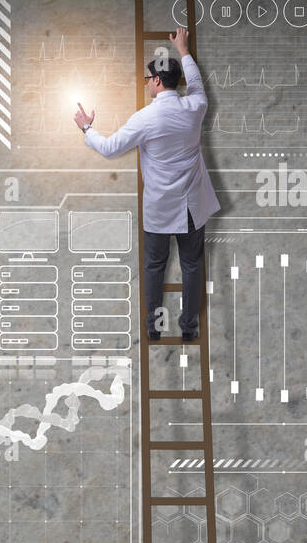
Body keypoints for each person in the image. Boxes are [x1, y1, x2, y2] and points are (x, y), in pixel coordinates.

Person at [73, 26, 221, 342]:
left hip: (159, 209)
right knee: (192, 267)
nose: (147, 85)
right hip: (192, 206)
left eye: (147, 80)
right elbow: (195, 84)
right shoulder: (196, 107)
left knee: (155, 267)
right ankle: (189, 326)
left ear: (155, 81)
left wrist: (87, 128)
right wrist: (183, 49)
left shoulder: (145, 119)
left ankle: (154, 327)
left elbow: (110, 147)